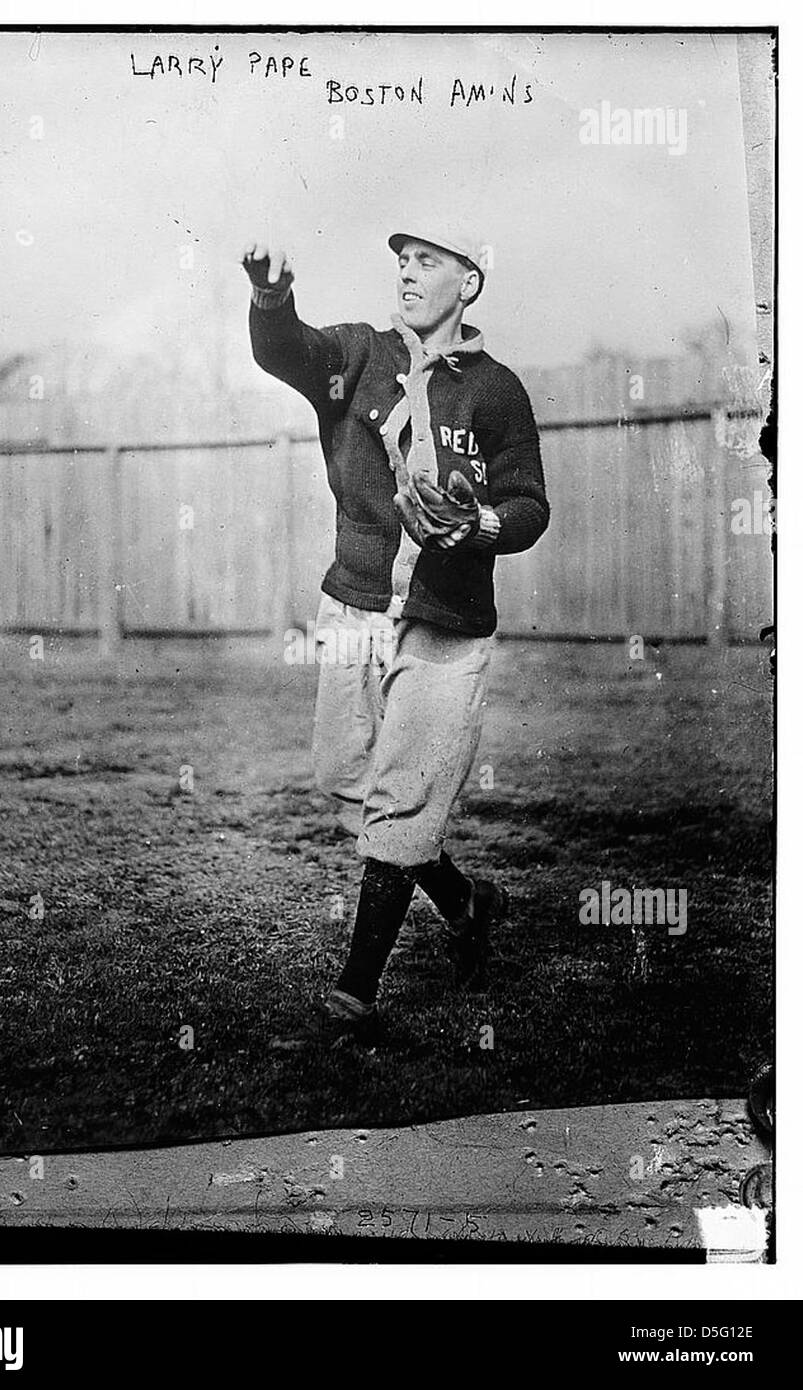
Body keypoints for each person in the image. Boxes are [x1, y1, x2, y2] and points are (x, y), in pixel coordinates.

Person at [243, 228, 550, 1045]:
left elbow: (528, 503)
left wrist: (481, 520)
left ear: (469, 282)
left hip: (445, 621)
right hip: (354, 606)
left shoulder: (496, 389)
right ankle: (467, 903)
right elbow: (285, 351)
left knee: (402, 793)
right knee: (347, 783)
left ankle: (352, 1005)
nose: (408, 272)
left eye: (428, 261)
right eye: (401, 260)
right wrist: (270, 297)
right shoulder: (356, 355)